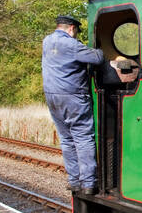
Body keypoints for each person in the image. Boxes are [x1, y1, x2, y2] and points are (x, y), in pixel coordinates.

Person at [42, 15, 106, 193]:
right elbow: (97, 58)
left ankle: (75, 180)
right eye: (76, 31)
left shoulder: (47, 41)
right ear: (71, 28)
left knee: (67, 139)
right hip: (73, 97)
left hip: (52, 97)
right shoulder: (71, 44)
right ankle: (88, 183)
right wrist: (101, 50)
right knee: (83, 137)